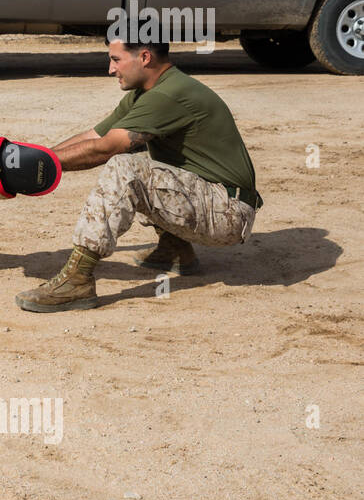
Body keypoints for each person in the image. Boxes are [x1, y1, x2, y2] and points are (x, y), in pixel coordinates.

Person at [16, 37, 262, 312]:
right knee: (140, 159)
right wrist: (35, 158)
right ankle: (176, 249)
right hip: (213, 200)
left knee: (125, 167)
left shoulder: (167, 95)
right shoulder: (146, 91)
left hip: (228, 213)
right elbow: (95, 134)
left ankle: (77, 280)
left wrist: (35, 167)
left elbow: (103, 149)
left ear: (145, 57)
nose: (110, 69)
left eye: (116, 60)